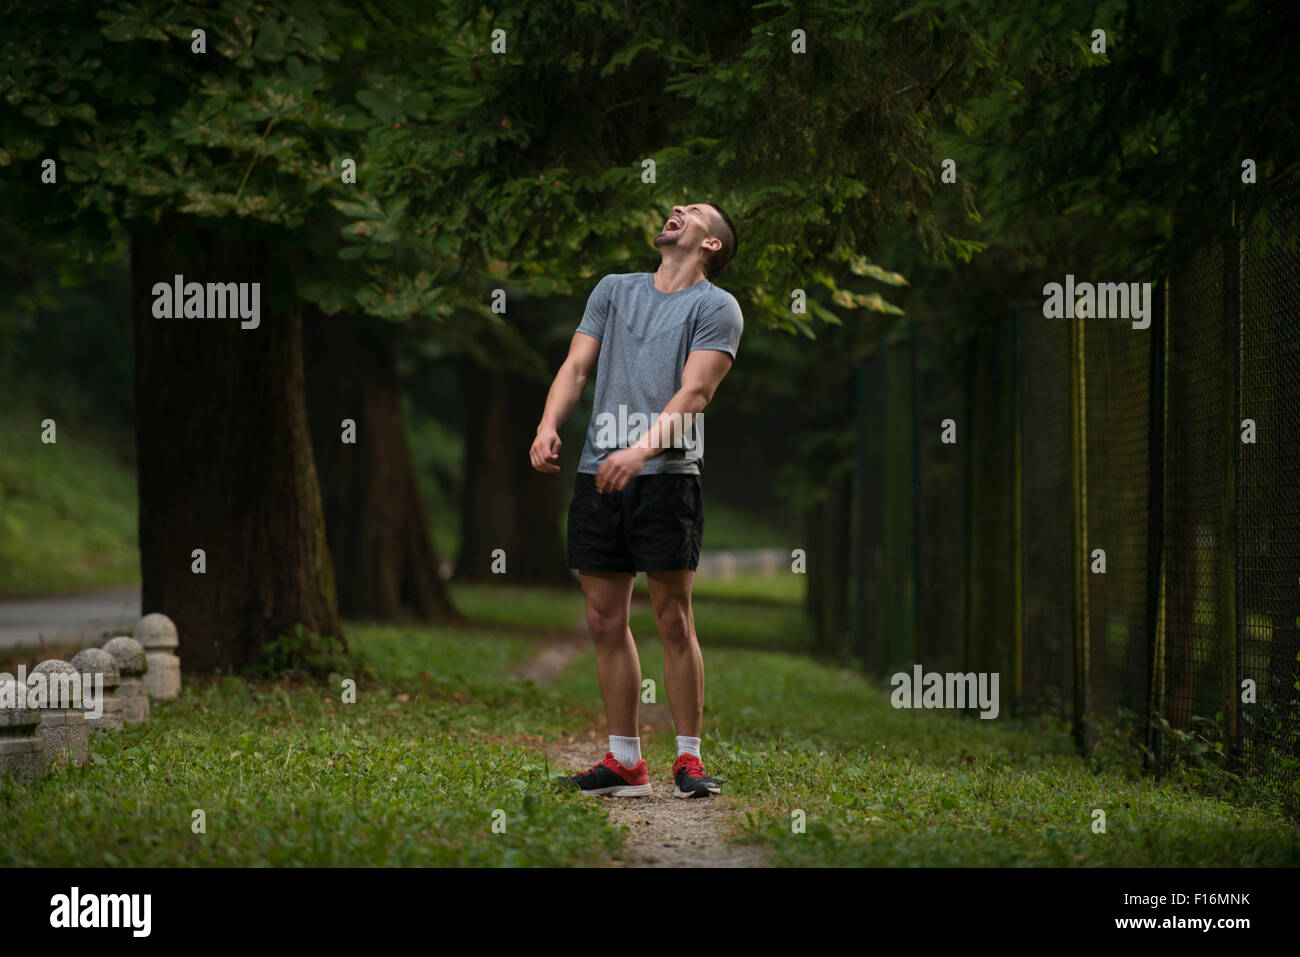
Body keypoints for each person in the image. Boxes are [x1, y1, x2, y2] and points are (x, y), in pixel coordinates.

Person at [530, 201, 742, 798]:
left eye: (695, 211)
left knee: (673, 618)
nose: (678, 208)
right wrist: (549, 425)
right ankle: (625, 762)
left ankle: (689, 761)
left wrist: (641, 450)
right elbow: (575, 368)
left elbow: (695, 393)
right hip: (599, 473)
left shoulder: (716, 307)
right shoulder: (613, 290)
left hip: (667, 478)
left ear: (712, 245)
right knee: (603, 619)